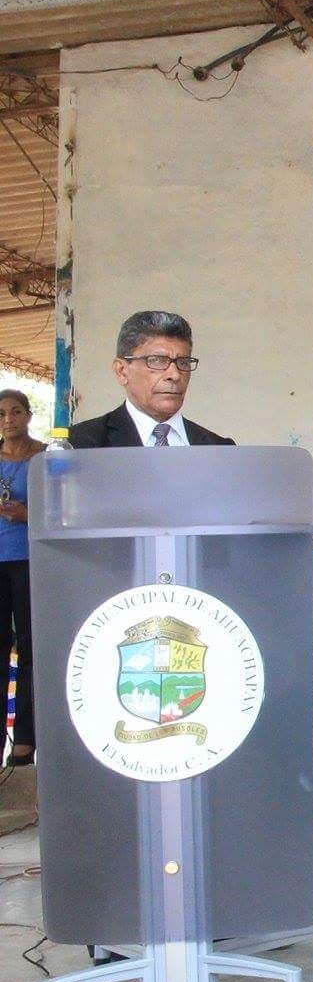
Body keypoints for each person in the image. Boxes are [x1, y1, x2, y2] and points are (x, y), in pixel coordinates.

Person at [69, 311, 233, 447]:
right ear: (122, 371)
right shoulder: (78, 445)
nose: (174, 375)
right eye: (157, 360)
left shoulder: (220, 449)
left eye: (183, 362)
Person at [0, 390, 41, 767]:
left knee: (29, 650)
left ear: (28, 415)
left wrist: (26, 514)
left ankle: (25, 738)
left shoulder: (45, 458)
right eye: (1, 415)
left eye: (15, 412)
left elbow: (59, 509)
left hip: (30, 561)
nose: (8, 419)